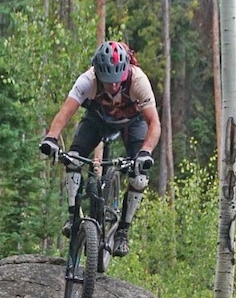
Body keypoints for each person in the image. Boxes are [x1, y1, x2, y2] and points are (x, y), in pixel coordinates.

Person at [39, 41, 161, 257]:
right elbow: (65, 112)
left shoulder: (138, 80)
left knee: (139, 177)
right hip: (97, 120)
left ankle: (122, 231)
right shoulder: (88, 80)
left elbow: (154, 124)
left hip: (131, 123)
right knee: (74, 159)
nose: (113, 86)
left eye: (117, 81)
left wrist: (146, 152)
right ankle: (73, 215)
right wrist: (51, 138)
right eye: (108, 82)